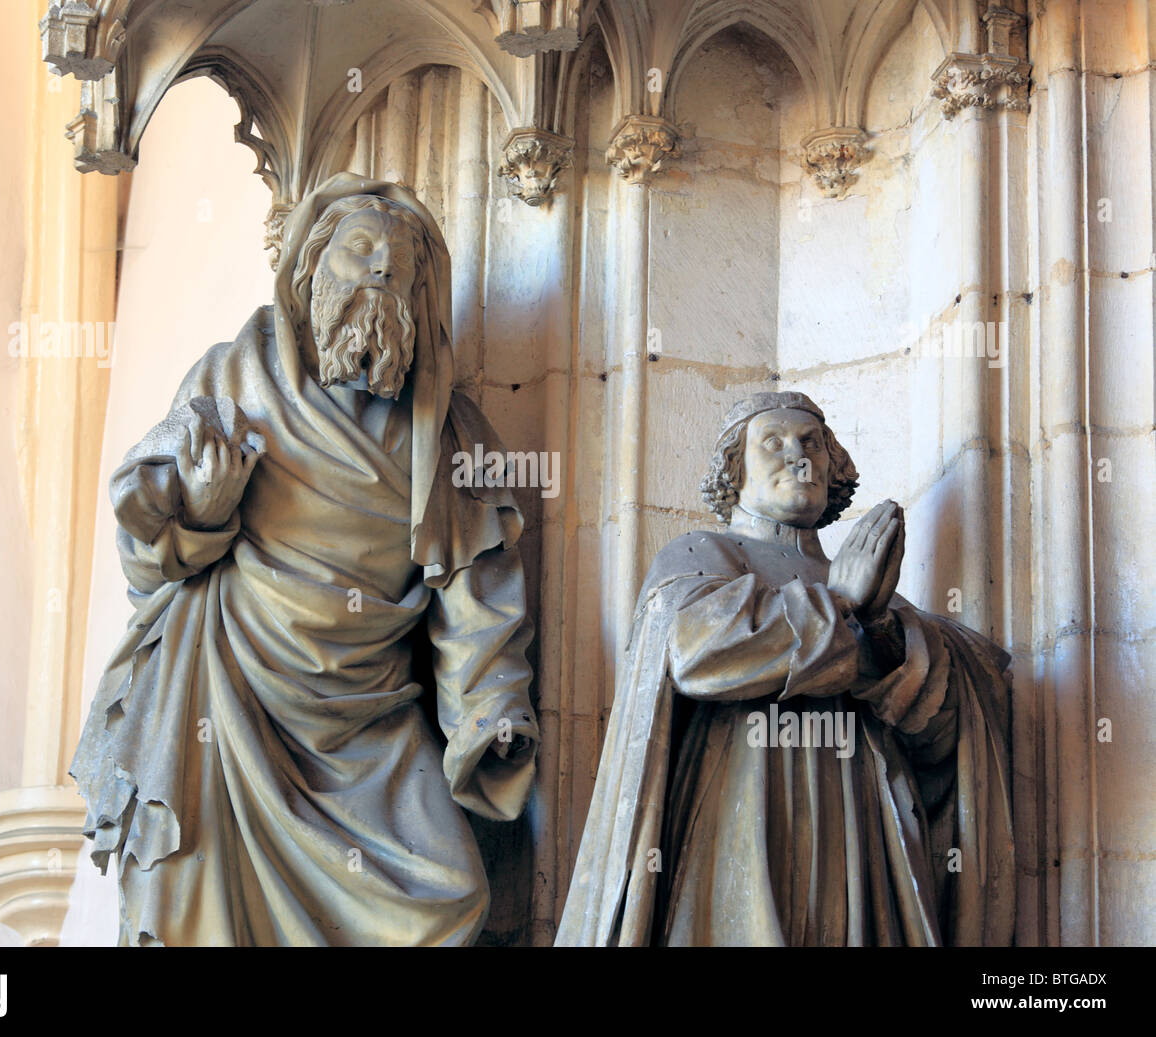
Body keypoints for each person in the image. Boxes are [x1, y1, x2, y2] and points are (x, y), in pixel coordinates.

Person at [71, 174, 539, 946]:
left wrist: (493, 707)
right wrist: (207, 512)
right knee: (203, 907)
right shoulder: (238, 378)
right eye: (360, 250)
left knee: (451, 894)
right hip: (233, 698)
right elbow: (145, 557)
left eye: (401, 264)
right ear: (312, 267)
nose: (381, 271)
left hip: (367, 721)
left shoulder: (452, 434)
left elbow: (475, 593)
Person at [556, 391, 1014, 946]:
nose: (799, 455)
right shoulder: (703, 555)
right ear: (736, 470)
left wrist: (886, 629)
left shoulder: (873, 588)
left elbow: (941, 723)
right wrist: (839, 603)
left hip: (859, 818)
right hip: (740, 805)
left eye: (813, 443)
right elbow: (696, 653)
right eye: (772, 442)